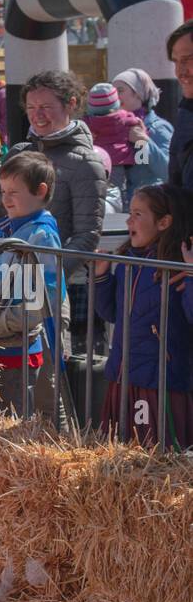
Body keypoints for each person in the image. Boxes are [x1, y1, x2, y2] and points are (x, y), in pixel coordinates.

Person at [1, 69, 107, 405]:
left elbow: (88, 234)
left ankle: (51, 437)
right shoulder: (19, 150)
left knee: (46, 377)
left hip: (53, 288)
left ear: (71, 104)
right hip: (6, 278)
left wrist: (49, 272)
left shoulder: (85, 162)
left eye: (46, 106)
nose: (38, 115)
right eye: (31, 108)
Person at [92, 182, 193, 446]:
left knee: (154, 454)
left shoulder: (178, 267)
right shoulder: (128, 262)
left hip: (160, 383)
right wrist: (101, 276)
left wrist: (192, 276)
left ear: (164, 222)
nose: (128, 220)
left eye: (138, 214)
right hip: (124, 377)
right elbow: (111, 313)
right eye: (130, 212)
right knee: (122, 451)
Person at [0, 152, 65, 418]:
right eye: (3, 191)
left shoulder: (41, 235)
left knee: (14, 418)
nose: (5, 199)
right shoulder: (8, 228)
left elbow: (50, 294)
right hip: (0, 338)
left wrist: (6, 321)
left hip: (19, 342)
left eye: (14, 192)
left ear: (40, 191)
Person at [112, 68, 173, 200]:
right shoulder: (116, 128)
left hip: (150, 207)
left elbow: (168, 173)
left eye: (120, 90)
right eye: (112, 91)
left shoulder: (158, 128)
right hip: (124, 207)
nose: (115, 96)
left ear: (138, 94)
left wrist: (144, 142)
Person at [83, 82, 147, 203]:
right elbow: (139, 134)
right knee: (118, 190)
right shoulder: (124, 118)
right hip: (119, 162)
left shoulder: (88, 122)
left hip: (96, 161)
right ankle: (121, 209)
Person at [167, 18, 193, 191]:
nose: (179, 71)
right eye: (175, 61)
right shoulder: (186, 110)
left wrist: (143, 144)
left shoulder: (153, 127)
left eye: (187, 59)